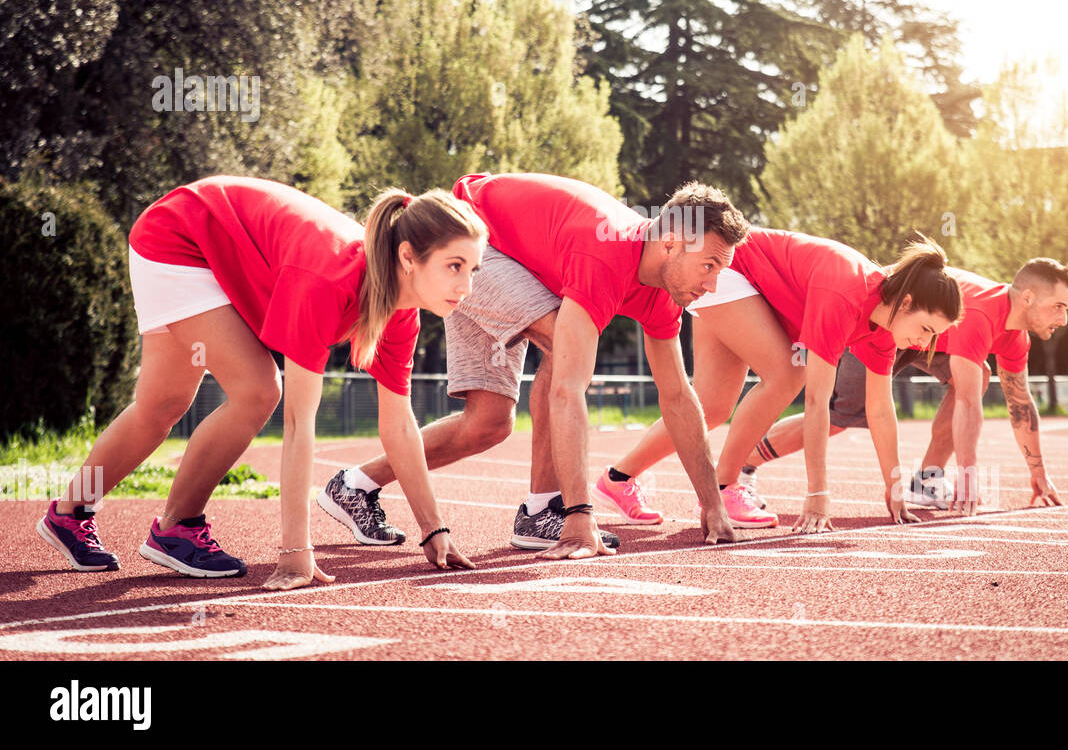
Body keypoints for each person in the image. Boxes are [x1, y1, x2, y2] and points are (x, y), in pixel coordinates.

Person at [37, 176, 484, 590]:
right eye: (454, 266)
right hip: (181, 235)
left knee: (160, 405)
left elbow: (400, 426)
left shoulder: (400, 314)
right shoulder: (329, 280)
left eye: (474, 270)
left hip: (206, 244)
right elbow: (298, 424)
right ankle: (177, 528)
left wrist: (434, 528)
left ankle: (70, 512)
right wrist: (295, 551)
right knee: (259, 390)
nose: (466, 285)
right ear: (409, 256)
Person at [324, 173, 750, 559]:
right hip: (473, 241)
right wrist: (581, 515)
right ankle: (545, 508)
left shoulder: (661, 294)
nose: (711, 285)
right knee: (565, 348)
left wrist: (712, 504)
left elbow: (677, 395)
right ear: (671, 244)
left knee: (488, 424)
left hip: (516, 258)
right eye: (709, 266)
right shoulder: (605, 255)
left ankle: (355, 485)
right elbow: (567, 388)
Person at [594, 232, 963, 533]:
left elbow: (881, 410)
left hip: (747, 287)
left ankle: (617, 478)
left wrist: (894, 486)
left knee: (712, 404)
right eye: (926, 329)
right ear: (907, 302)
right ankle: (724, 487)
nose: (922, 344)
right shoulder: (846, 291)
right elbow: (816, 402)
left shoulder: (883, 329)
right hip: (729, 270)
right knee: (789, 373)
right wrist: (817, 493)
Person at [739, 259, 1068, 516]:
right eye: (1058, 307)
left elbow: (1020, 403)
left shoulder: (1015, 338)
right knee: (842, 417)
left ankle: (927, 481)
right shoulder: (981, 314)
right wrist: (968, 477)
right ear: (1026, 298)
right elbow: (965, 401)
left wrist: (1039, 474)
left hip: (927, 338)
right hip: (887, 326)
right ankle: (742, 465)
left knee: (978, 373)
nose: (1063, 319)